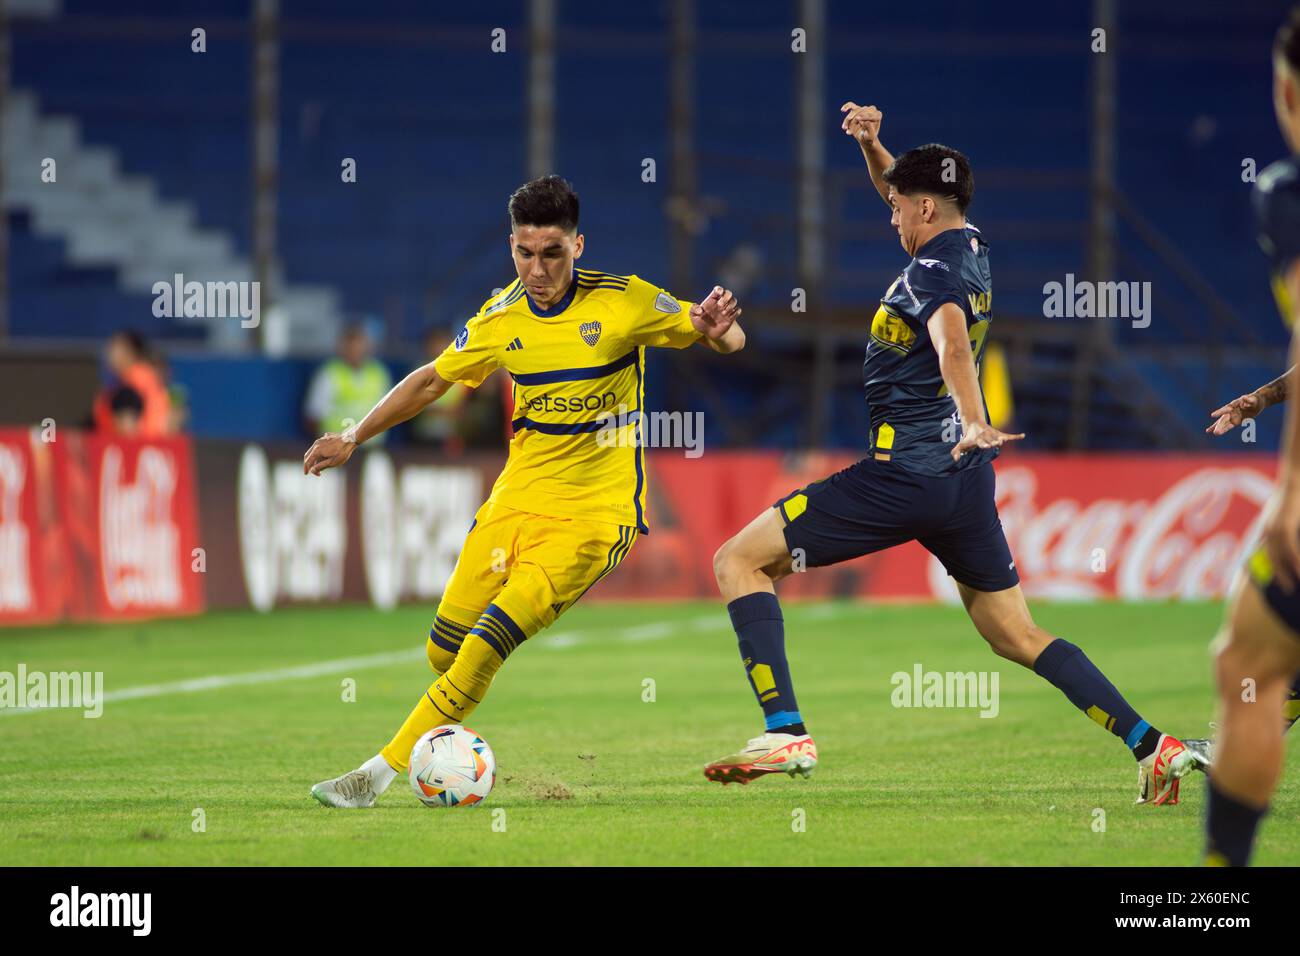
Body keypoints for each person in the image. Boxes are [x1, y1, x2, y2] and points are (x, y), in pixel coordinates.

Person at [703, 102, 1210, 805]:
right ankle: (1153, 746)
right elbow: (903, 195)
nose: (890, 217)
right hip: (961, 484)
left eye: (897, 208)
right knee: (1016, 634)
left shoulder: (932, 276)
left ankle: (784, 729)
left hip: (905, 471)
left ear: (925, 209)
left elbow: (947, 342)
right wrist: (875, 148)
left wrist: (976, 417)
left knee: (737, 560)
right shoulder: (967, 246)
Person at [303, 175, 745, 808]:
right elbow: (432, 382)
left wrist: (720, 328)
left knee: (485, 645)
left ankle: (375, 775)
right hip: (514, 503)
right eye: (525, 253)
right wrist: (354, 436)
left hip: (595, 518)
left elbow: (724, 337)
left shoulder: (625, 304)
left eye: (553, 254)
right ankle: (451, 732)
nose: (537, 269)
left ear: (579, 246)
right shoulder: (501, 316)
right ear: (512, 246)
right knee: (445, 652)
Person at [1202, 7, 1300, 866]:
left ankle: (1212, 896)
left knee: (1252, 664)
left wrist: (1290, 498)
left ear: (1285, 90)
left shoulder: (1285, 195)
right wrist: (1266, 399)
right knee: (1254, 653)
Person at [303, 324, 393, 444]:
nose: (355, 351)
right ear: (341, 348)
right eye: (350, 346)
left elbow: (389, 412)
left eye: (359, 345)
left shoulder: (378, 373)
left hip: (371, 446)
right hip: (337, 447)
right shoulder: (329, 373)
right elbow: (313, 416)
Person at [92, 331, 171, 436]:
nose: (109, 354)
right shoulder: (122, 380)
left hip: (137, 445)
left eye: (115, 348)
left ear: (130, 351)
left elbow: (135, 424)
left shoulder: (139, 379)